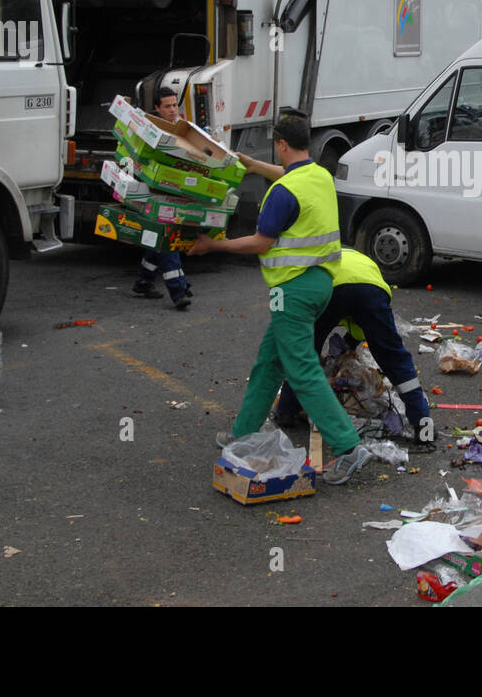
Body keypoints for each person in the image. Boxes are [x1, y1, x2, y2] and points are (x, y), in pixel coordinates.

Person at [188, 113, 372, 485]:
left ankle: (349, 447)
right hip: (320, 283)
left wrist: (213, 245)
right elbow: (289, 174)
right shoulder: (319, 175)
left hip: (292, 290)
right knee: (269, 361)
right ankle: (243, 432)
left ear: (282, 144)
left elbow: (261, 242)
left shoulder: (283, 194)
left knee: (301, 370)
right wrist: (254, 165)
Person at [272, 247, 434, 452]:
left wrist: (329, 365)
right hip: (372, 290)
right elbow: (357, 339)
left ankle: (286, 412)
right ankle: (423, 427)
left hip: (328, 287)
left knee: (304, 354)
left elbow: (312, 349)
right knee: (395, 360)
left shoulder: (318, 258)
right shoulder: (362, 261)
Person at [132, 87, 192, 310]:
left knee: (157, 239)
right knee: (167, 239)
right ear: (157, 108)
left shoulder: (182, 129)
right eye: (167, 106)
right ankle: (179, 292)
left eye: (175, 104)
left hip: (173, 192)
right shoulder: (152, 131)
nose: (172, 109)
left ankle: (144, 281)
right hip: (156, 193)